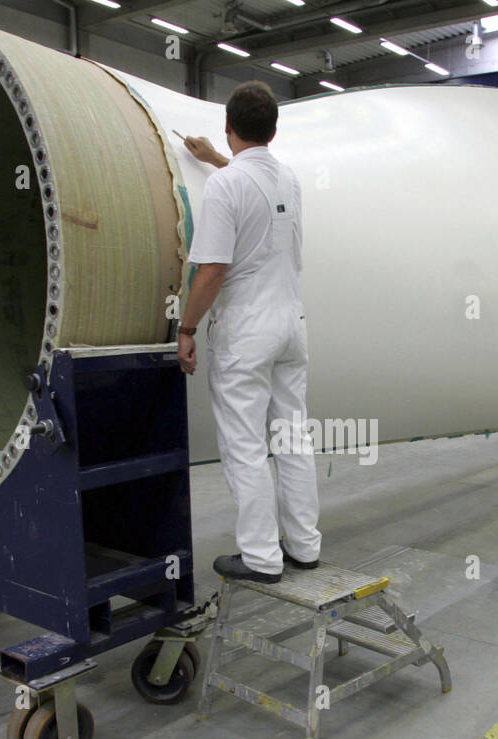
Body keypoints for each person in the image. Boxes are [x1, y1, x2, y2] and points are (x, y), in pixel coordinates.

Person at [177, 81, 322, 584]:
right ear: (274, 130)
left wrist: (187, 327)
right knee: (292, 439)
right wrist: (219, 158)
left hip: (247, 331)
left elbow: (212, 270)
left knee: (244, 445)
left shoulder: (226, 186)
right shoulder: (290, 179)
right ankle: (303, 547)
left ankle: (261, 558)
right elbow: (257, 193)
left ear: (228, 126)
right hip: (290, 326)